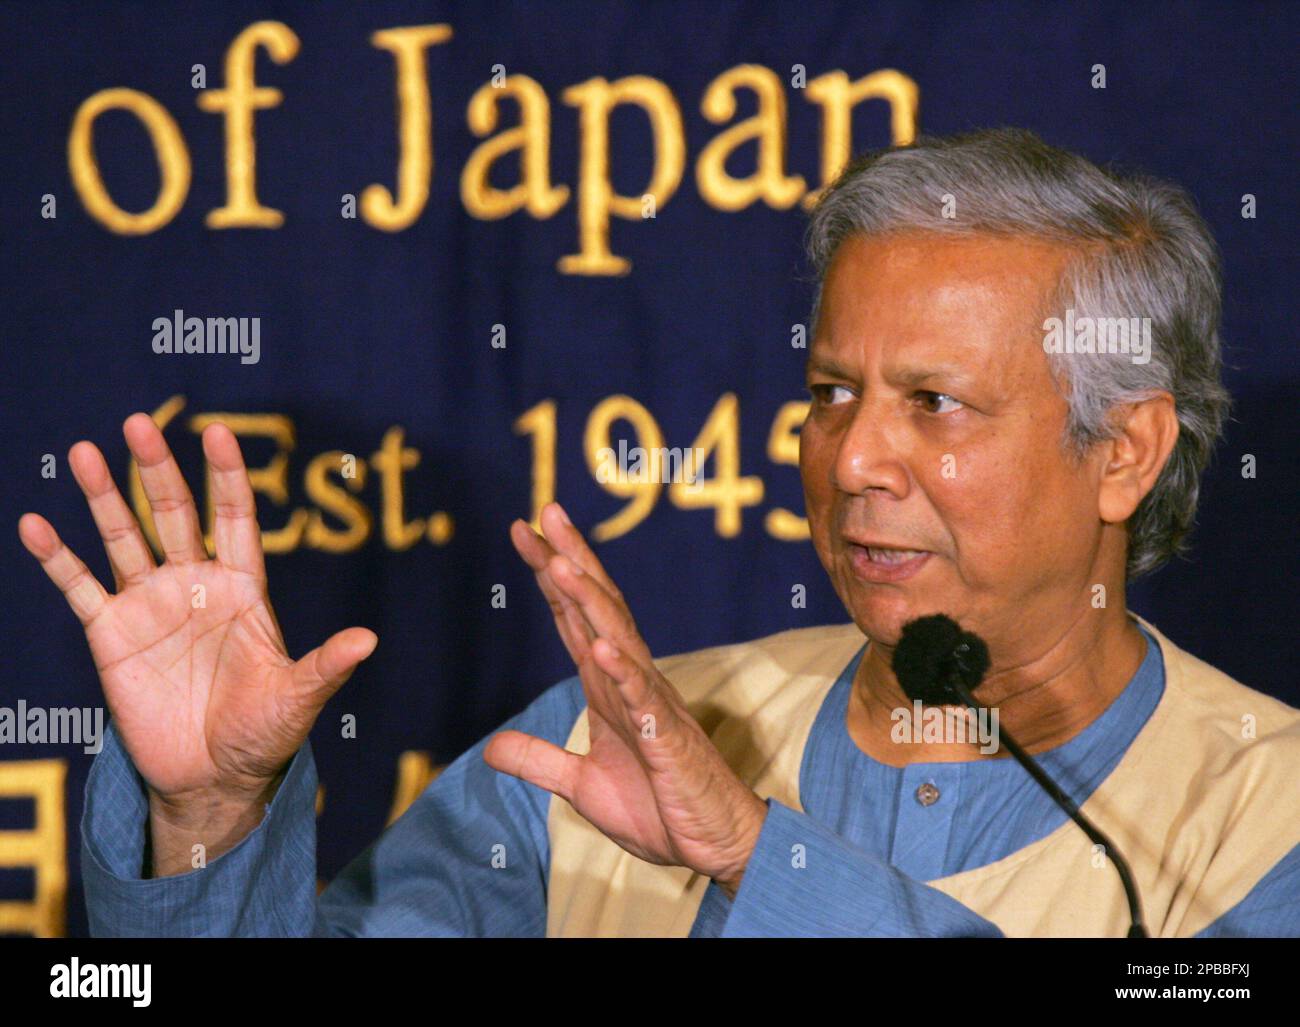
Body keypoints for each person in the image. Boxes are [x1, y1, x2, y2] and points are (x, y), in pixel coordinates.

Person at [19, 129, 1299, 937]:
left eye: (933, 405)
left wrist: (752, 856)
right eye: (829, 395)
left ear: (1122, 450)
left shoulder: (1265, 809)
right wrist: (205, 822)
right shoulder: (595, 743)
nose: (850, 460)